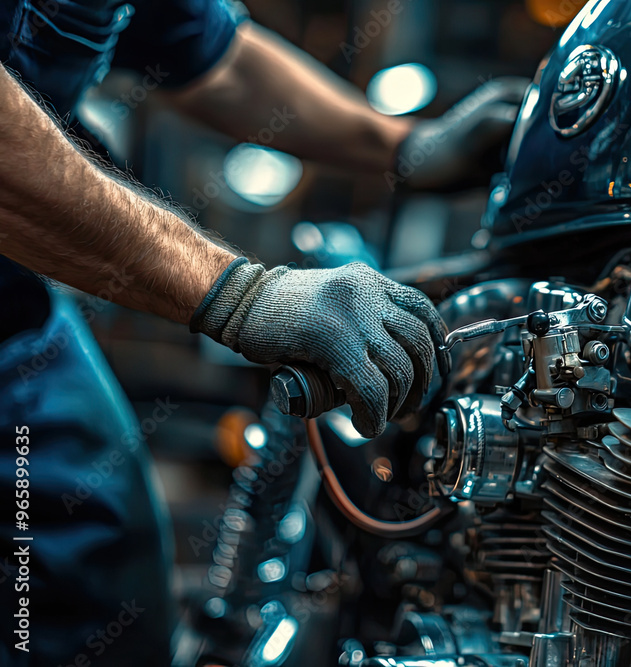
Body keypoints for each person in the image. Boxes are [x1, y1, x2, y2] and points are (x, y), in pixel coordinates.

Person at [0, 1, 523, 664]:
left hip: (17, 318)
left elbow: (210, 52)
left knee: (102, 572)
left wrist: (403, 146)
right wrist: (241, 295)